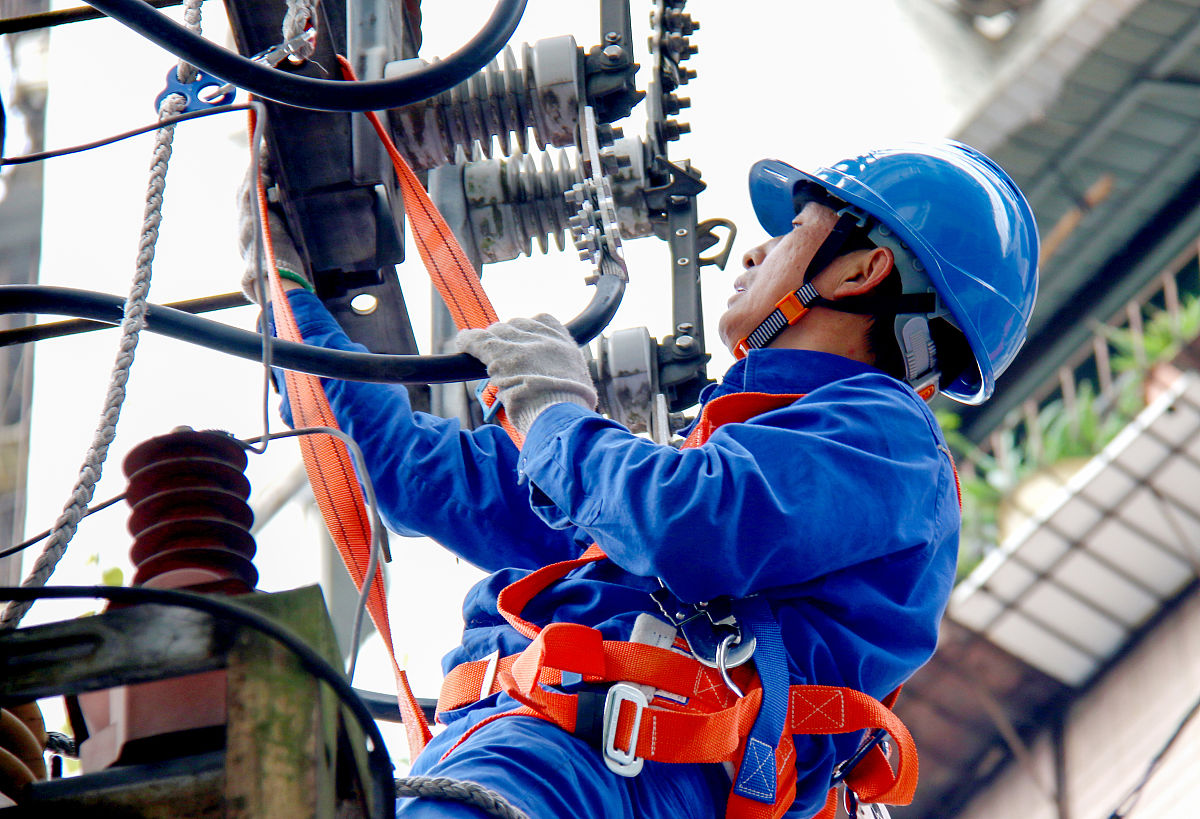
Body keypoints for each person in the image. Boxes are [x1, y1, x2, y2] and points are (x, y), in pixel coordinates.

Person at [239, 140, 1038, 818]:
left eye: (795, 228)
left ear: (862, 269)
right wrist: (286, 298)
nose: (757, 253)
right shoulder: (699, 464)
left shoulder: (888, 441)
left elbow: (688, 522)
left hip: (597, 770)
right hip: (523, 755)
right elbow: (423, 475)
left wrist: (554, 408)